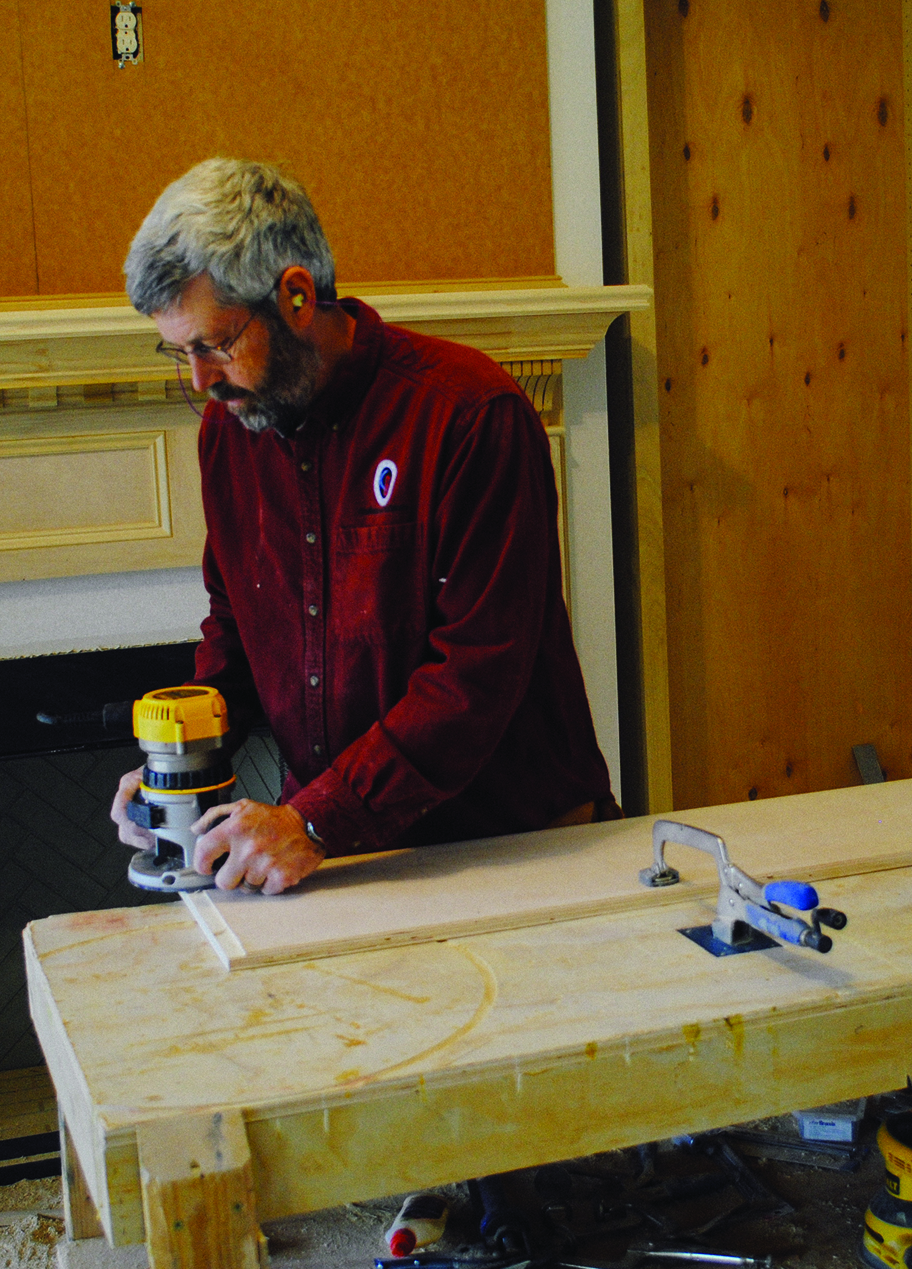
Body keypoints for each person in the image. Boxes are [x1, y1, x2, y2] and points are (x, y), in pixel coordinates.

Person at [110, 157, 616, 895]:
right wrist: (181, 764)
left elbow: (477, 671)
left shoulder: (468, 414)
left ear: (294, 294)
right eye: (179, 351)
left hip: (516, 851)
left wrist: (314, 821)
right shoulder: (230, 434)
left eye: (214, 343)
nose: (199, 381)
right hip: (348, 857)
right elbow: (236, 626)